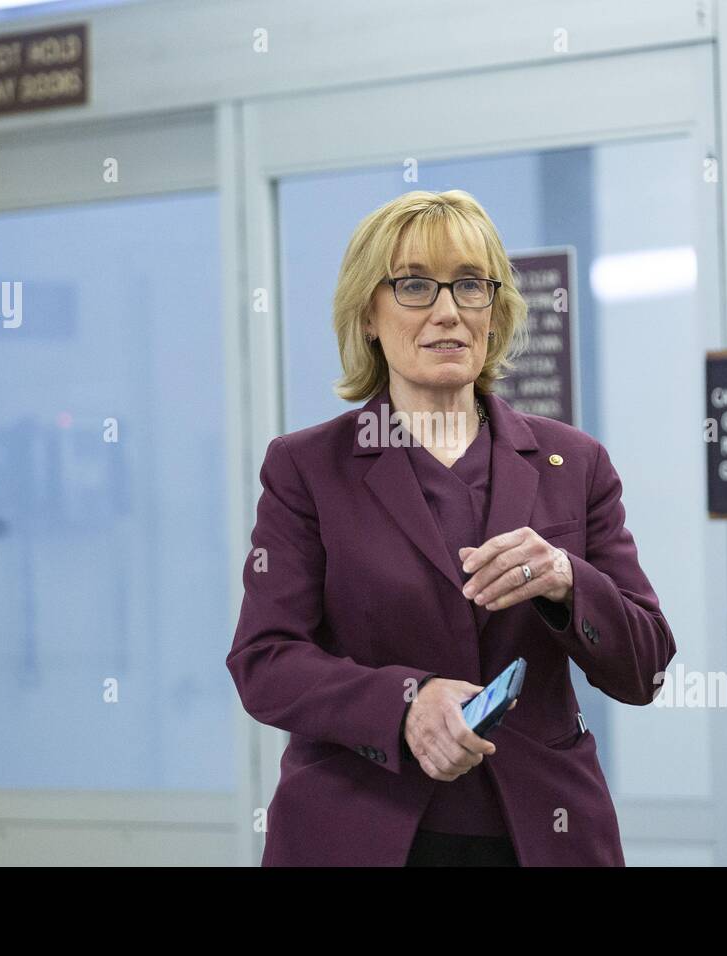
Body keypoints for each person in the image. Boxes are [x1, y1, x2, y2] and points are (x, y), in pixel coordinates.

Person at [226, 189, 676, 866]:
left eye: (470, 285)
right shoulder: (308, 469)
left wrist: (564, 578)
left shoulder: (573, 464)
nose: (447, 311)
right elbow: (265, 663)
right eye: (413, 286)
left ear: (493, 313)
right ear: (368, 315)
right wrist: (405, 703)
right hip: (362, 834)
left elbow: (645, 668)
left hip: (541, 837)